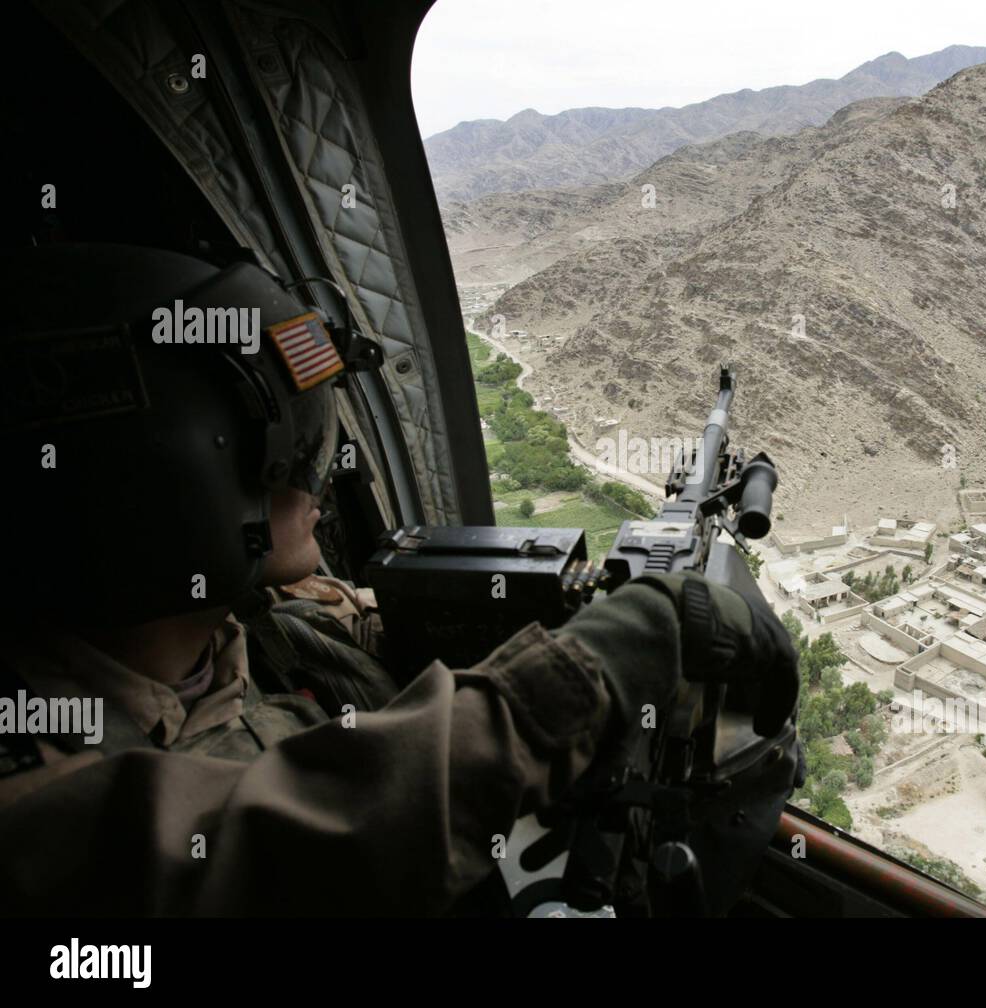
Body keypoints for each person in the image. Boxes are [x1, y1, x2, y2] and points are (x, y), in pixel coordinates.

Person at [0, 243, 797, 915]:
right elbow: (278, 841)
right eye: (284, 446)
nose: (316, 477)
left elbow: (404, 632)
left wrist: (591, 601)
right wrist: (599, 667)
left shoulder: (272, 622)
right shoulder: (35, 783)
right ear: (169, 486)